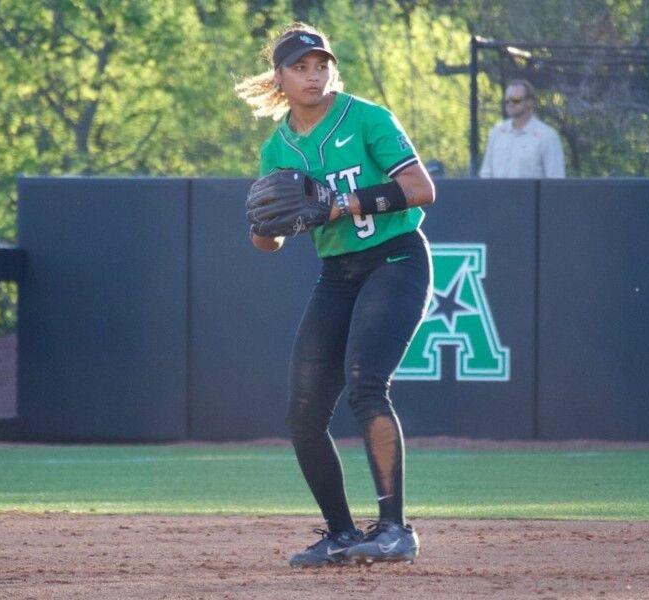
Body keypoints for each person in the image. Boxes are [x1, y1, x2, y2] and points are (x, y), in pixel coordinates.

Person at [235, 23, 435, 567]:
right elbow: (267, 242)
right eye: (299, 67)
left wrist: (339, 203)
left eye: (320, 64)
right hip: (338, 273)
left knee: (366, 385)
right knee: (303, 413)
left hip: (396, 257)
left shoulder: (366, 117)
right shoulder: (277, 148)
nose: (313, 75)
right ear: (278, 78)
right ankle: (343, 533)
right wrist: (265, 221)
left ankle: (395, 529)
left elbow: (421, 189)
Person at [478, 79, 566, 178]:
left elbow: (555, 178)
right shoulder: (497, 133)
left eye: (516, 100)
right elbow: (486, 174)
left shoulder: (547, 136)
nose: (510, 103)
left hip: (530, 193)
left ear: (530, 102)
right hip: (498, 193)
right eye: (507, 100)